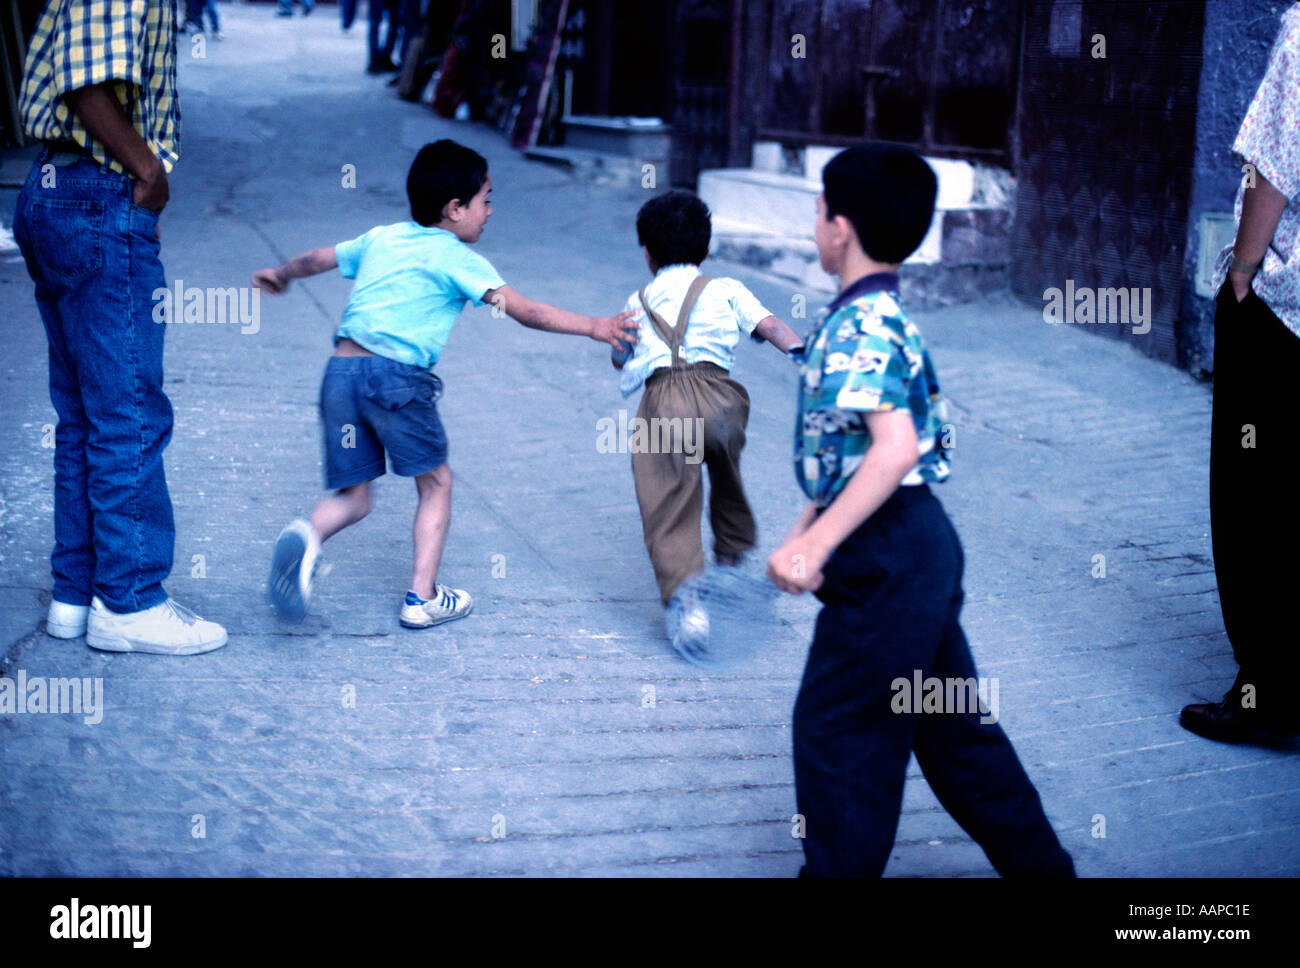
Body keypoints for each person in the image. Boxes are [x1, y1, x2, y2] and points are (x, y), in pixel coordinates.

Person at [766, 143, 1075, 877]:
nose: (815, 223)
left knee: (841, 730)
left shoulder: (857, 327)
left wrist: (818, 546)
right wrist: (803, 532)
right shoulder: (881, 313)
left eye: (818, 209)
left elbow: (893, 449)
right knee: (950, 730)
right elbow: (847, 455)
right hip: (913, 545)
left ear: (839, 228)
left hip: (888, 555)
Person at [253, 140, 637, 629]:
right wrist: (595, 326)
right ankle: (422, 598)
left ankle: (305, 535)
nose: (490, 211)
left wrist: (281, 274)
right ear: (455, 209)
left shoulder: (383, 237)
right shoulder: (457, 257)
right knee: (436, 482)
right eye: (486, 200)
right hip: (396, 378)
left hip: (340, 373)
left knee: (354, 495)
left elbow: (318, 258)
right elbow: (526, 312)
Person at [12, 0, 227, 654]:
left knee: (85, 413)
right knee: (129, 412)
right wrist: (145, 167)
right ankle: (129, 600)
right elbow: (85, 81)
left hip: (60, 190)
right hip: (96, 192)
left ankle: (76, 595)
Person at [1183, 6, 1300, 744]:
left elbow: (1276, 163)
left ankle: (1267, 695)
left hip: (1288, 309)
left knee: (1257, 496)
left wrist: (1244, 273)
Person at [612, 190, 799, 639]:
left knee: (669, 498)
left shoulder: (638, 300)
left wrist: (627, 355)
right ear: (706, 246)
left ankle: (689, 603)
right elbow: (770, 325)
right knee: (727, 476)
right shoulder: (726, 289)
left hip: (664, 405)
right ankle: (730, 563)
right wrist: (800, 352)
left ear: (648, 252)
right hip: (722, 402)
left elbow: (620, 357)